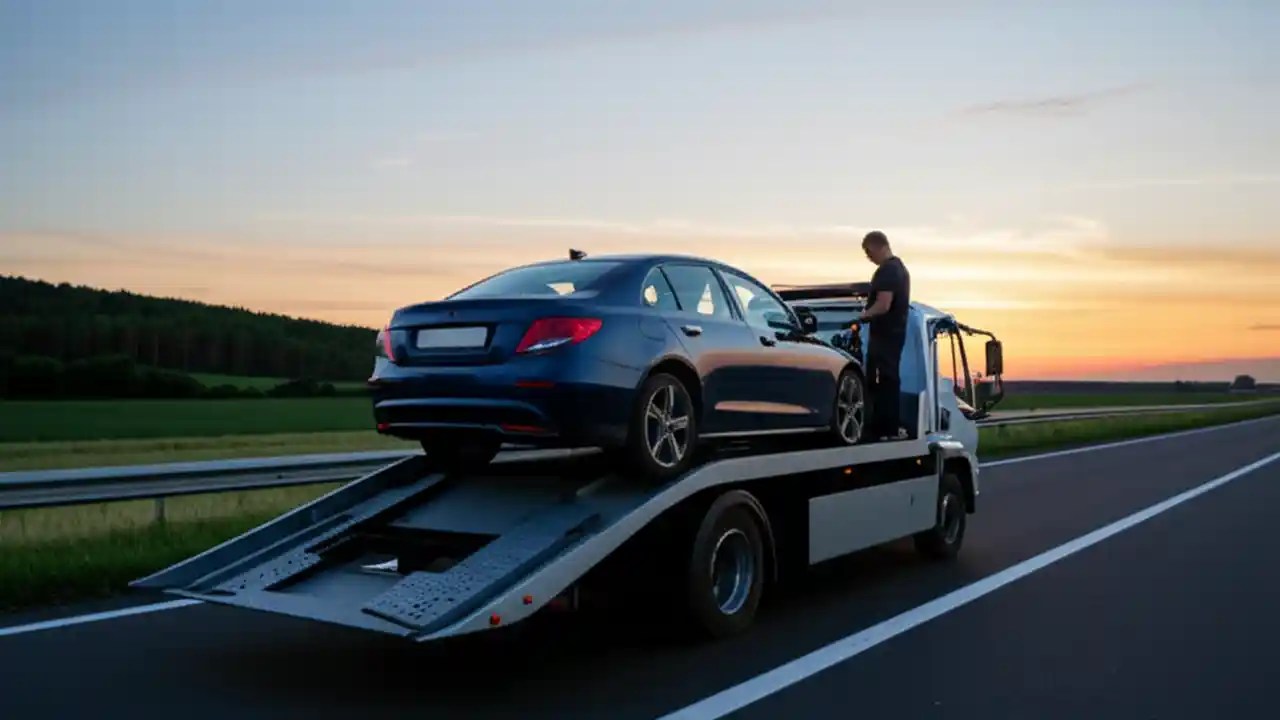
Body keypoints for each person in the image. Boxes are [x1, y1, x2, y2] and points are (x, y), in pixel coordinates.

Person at [856, 230, 910, 440]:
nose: (869, 258)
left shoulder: (887, 271)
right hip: (895, 334)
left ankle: (884, 429)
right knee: (890, 379)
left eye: (869, 253)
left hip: (885, 336)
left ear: (878, 247)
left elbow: (883, 304)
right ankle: (890, 427)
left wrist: (862, 316)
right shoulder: (901, 270)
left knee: (881, 381)